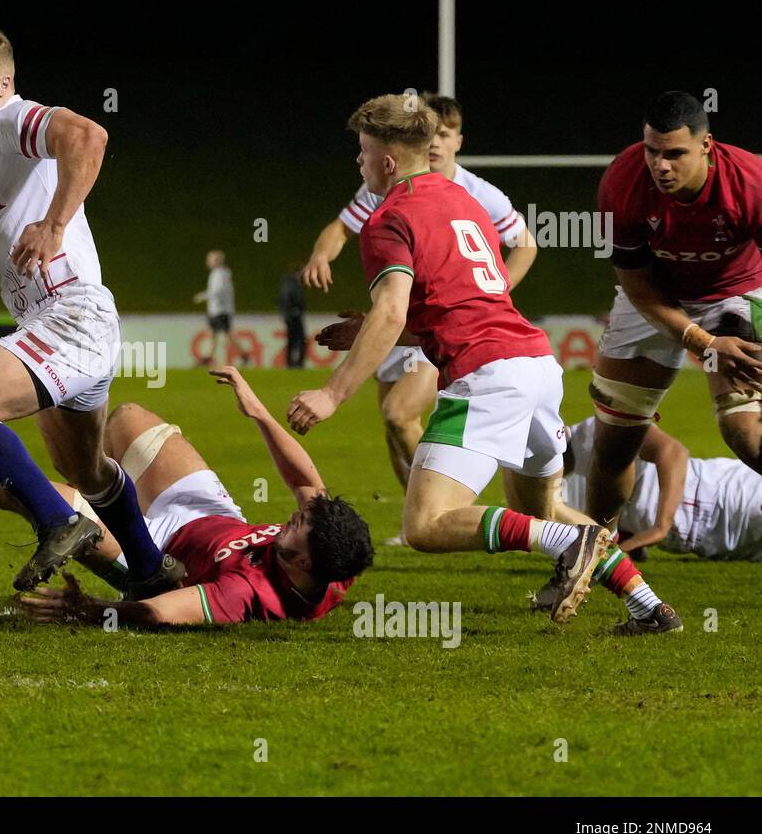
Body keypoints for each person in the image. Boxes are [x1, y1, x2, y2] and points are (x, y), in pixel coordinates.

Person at [286, 93, 680, 635]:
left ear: (388, 161)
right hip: (537, 365)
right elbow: (453, 301)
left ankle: (575, 544)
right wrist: (375, 329)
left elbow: (394, 306)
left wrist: (331, 394)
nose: (358, 162)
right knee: (545, 511)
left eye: (362, 151)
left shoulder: (387, 219)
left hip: (486, 375)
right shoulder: (463, 201)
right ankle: (650, 607)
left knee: (425, 525)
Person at [0, 26, 177, 597]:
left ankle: (57, 522)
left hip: (70, 317)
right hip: (62, 325)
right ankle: (150, 571)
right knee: (88, 471)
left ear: (4, 84)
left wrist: (55, 222)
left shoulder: (11, 120)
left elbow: (89, 137)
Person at [0, 370, 372, 626]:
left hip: (156, 556)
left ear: (304, 560)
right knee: (129, 417)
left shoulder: (247, 594)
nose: (292, 516)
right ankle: (83, 462)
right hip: (210, 515)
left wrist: (89, 609)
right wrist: (259, 412)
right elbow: (308, 483)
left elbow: (159, 614)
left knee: (40, 497)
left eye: (297, 527)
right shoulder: (334, 557)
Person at [302, 94, 539, 490]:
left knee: (399, 413)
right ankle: (423, 518)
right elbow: (341, 228)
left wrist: (485, 294)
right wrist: (319, 256)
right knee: (393, 426)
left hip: (443, 325)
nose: (436, 143)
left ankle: (437, 508)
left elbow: (526, 243)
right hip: (410, 324)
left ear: (458, 141)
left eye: (446, 134)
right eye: (433, 133)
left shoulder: (478, 193)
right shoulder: (386, 192)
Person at [585, 91, 762, 538]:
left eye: (675, 154)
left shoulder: (752, 181)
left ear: (707, 146)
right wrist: (701, 342)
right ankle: (594, 557)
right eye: (652, 152)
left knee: (745, 432)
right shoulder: (621, 183)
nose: (661, 166)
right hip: (654, 298)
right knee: (613, 441)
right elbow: (637, 284)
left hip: (733, 292)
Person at [558, 416, 762, 562]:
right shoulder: (549, 494)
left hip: (726, 495)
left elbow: (673, 452)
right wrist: (626, 545)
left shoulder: (596, 430)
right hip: (720, 543)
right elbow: (614, 510)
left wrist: (661, 525)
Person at [192, 250, 235, 366]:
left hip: (221, 310)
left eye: (210, 259)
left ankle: (243, 355)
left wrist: (203, 296)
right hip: (215, 310)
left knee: (227, 335)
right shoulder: (218, 273)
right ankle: (207, 357)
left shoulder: (221, 274)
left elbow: (217, 291)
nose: (208, 262)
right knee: (213, 334)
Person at [278, 266, 306, 369]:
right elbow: (285, 300)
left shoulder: (292, 285)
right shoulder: (291, 286)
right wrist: (290, 313)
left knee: (294, 341)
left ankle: (293, 363)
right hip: (293, 317)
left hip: (294, 316)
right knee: (297, 340)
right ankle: (295, 363)